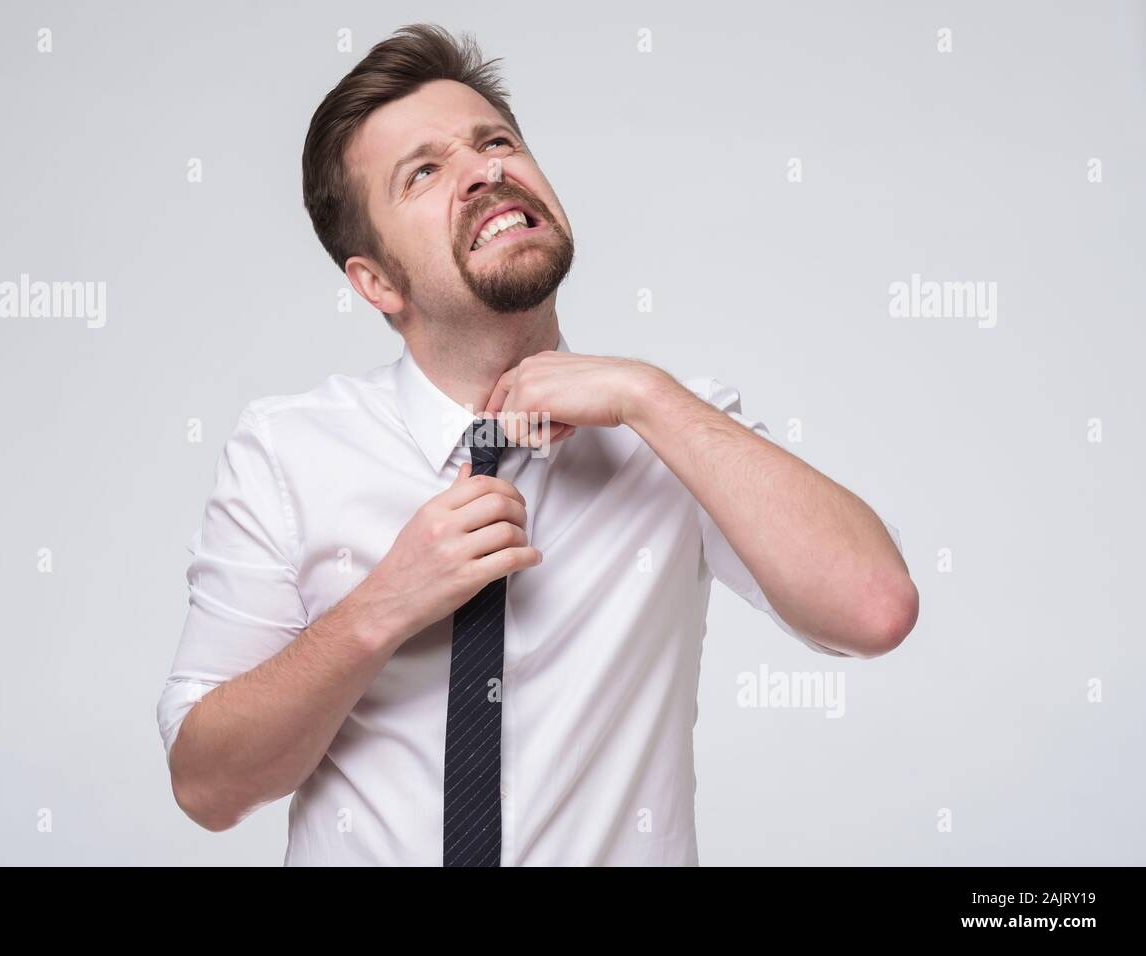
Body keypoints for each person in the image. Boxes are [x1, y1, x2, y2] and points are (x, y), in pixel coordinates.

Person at [156, 23, 918, 866]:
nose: (485, 170)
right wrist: (382, 606)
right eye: (425, 172)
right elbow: (207, 786)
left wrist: (646, 396)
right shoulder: (287, 451)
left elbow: (875, 610)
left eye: (497, 142)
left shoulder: (672, 428)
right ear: (375, 282)